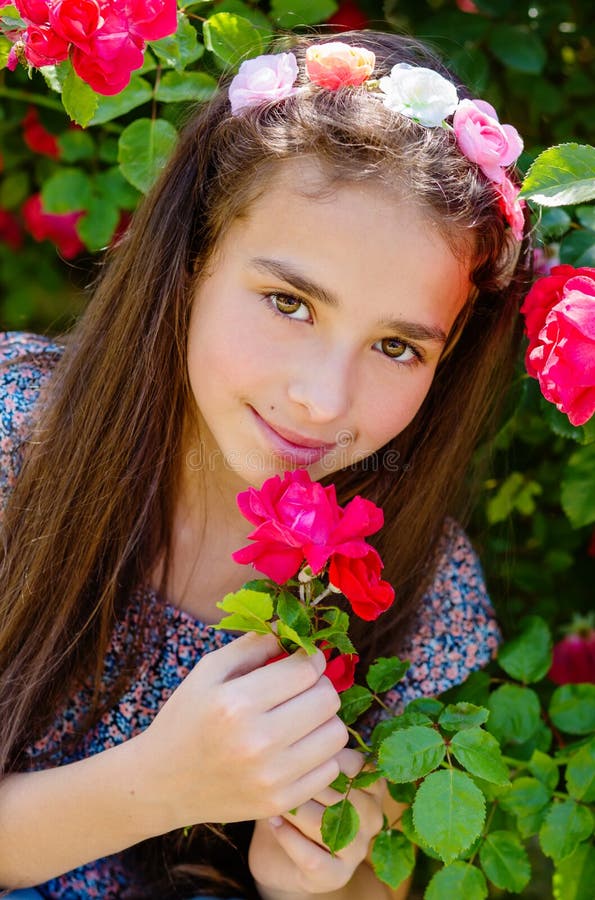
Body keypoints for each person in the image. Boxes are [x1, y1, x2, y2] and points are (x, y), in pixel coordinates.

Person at [0, 29, 529, 900]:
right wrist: (162, 786)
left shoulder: (420, 590)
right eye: (289, 302)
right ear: (193, 257)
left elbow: (374, 883)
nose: (323, 399)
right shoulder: (18, 438)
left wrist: (317, 880)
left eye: (397, 346)